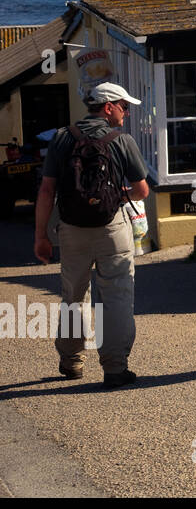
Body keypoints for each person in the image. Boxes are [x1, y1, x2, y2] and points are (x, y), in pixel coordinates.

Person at [33, 83, 150, 388]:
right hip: (112, 228)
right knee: (117, 295)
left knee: (73, 295)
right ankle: (114, 368)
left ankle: (72, 361)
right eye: (124, 106)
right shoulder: (121, 140)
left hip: (71, 228)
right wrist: (113, 196)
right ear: (108, 106)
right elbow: (141, 191)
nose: (126, 113)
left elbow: (46, 190)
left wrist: (41, 236)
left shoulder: (61, 138)